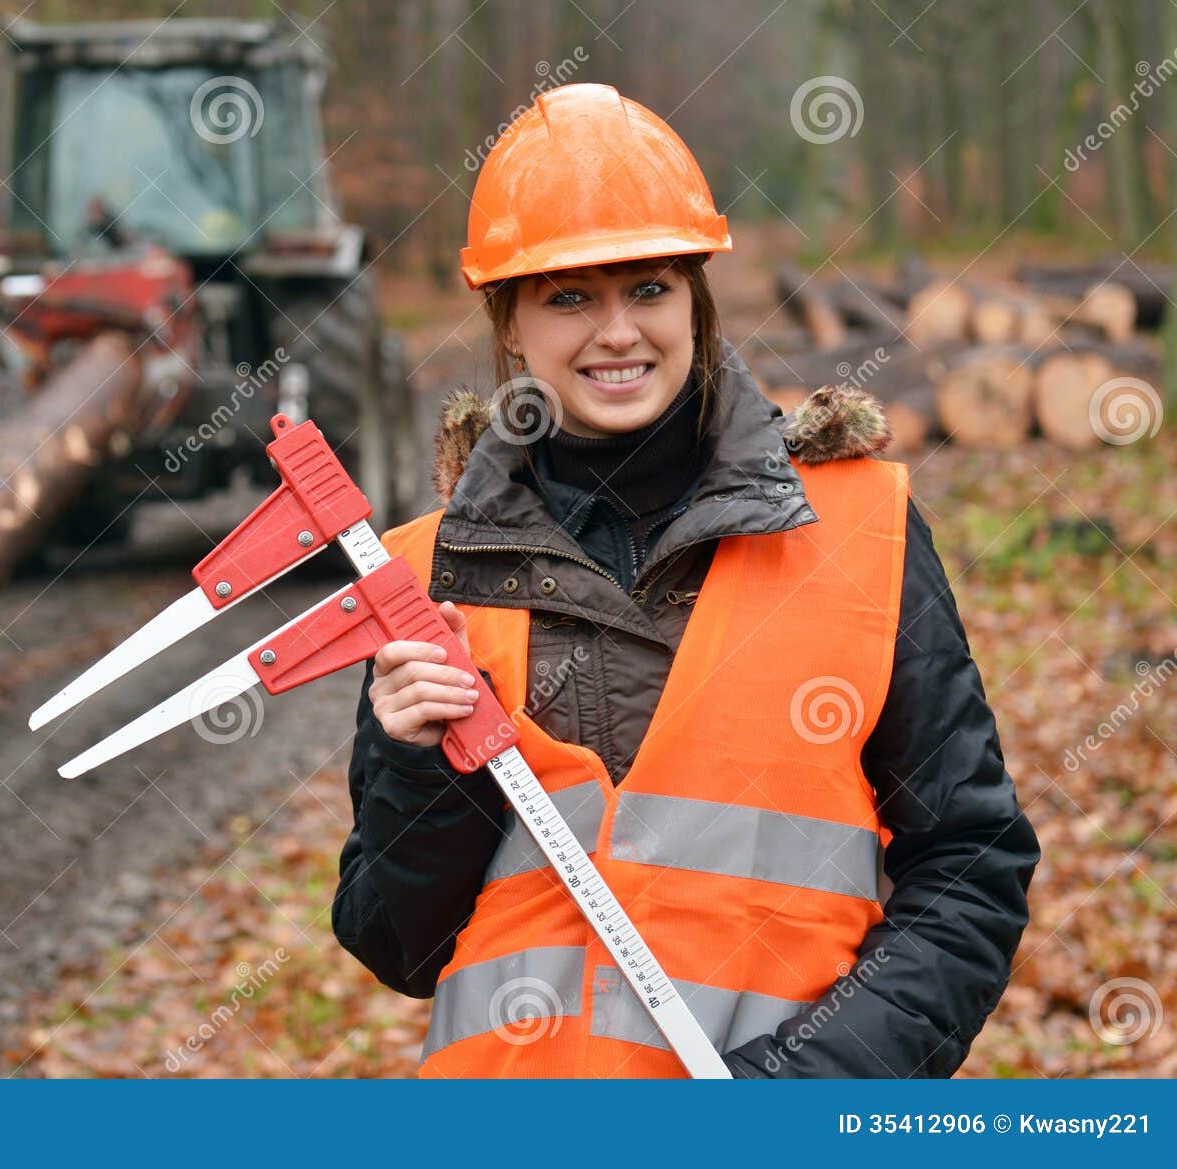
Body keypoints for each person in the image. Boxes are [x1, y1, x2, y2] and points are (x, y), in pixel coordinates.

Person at [331, 83, 1039, 1078]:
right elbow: (395, 944)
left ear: (697, 302)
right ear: (509, 323)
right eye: (570, 295)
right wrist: (418, 772)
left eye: (650, 288)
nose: (617, 331)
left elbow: (969, 862)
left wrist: (803, 1090)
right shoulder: (428, 578)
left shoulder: (857, 527)